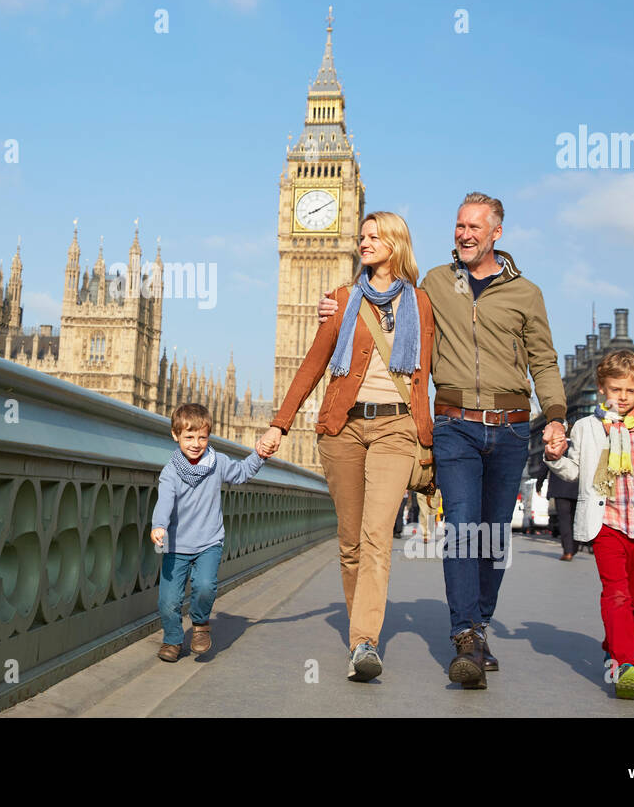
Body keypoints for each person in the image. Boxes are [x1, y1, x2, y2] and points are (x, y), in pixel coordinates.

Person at [319, 192, 568, 689]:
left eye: (475, 227)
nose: (465, 234)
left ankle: (480, 620)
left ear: (496, 233)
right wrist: (338, 304)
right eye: (459, 226)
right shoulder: (433, 283)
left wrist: (556, 416)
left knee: (493, 537)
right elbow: (384, 298)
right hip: (453, 423)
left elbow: (543, 359)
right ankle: (465, 637)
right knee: (461, 528)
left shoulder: (527, 294)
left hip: (513, 425)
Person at [258, 211, 435, 682]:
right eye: (361, 236)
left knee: (378, 535)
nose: (364, 242)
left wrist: (439, 436)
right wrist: (280, 424)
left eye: (375, 236)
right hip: (343, 428)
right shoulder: (341, 301)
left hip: (396, 429)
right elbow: (313, 364)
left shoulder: (421, 303)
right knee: (351, 540)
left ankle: (363, 642)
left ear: (397, 243)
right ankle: (363, 631)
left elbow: (434, 374)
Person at [544, 349, 634, 700]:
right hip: (606, 522)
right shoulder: (588, 427)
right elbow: (575, 473)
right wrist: (554, 458)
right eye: (615, 389)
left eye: (630, 391)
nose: (622, 397)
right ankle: (625, 664)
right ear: (602, 389)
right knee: (617, 593)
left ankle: (612, 644)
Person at [151, 402, 268, 662]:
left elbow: (241, 473)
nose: (195, 443)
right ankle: (172, 639)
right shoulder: (171, 471)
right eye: (189, 437)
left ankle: (201, 624)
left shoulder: (218, 462)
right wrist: (158, 525)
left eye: (202, 437)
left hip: (208, 542)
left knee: (205, 586)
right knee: (169, 600)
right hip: (177, 545)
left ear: (209, 437)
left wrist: (259, 455)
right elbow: (164, 501)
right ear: (175, 435)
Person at [548, 469, 580, 559]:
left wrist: (539, 483)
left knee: (564, 521)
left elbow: (547, 460)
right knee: (575, 520)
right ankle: (573, 549)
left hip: (560, 488)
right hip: (577, 487)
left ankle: (568, 551)